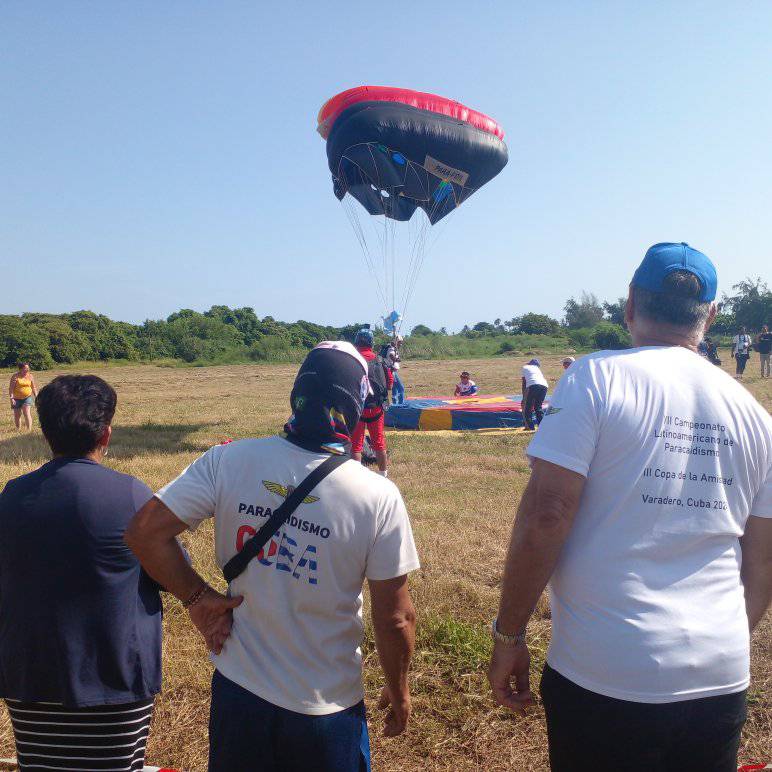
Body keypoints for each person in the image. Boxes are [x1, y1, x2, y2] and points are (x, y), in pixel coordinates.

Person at [488, 242, 772, 772]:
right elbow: (764, 562)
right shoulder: (756, 417)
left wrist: (509, 634)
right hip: (721, 672)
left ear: (629, 305)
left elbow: (548, 514)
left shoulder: (596, 377)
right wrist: (721, 640)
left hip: (608, 671)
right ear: (711, 316)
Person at [125, 341, 420, 772]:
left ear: (298, 393)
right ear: (356, 403)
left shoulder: (227, 460)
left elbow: (145, 532)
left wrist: (197, 598)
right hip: (326, 708)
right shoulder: (378, 496)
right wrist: (399, 690)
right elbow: (396, 618)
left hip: (239, 694)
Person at [0, 375, 162, 772]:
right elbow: (173, 572)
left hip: (31, 677)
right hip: (113, 679)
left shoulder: (13, 494)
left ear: (45, 432)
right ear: (105, 434)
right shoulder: (130, 495)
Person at [352, 328, 392, 476]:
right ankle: (383, 476)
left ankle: (355, 478)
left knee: (355, 445)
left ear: (356, 342)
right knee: (379, 442)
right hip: (376, 408)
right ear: (371, 343)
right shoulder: (380, 361)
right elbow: (389, 384)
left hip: (358, 408)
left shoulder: (353, 360)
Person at [8, 362, 38, 430]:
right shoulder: (15, 376)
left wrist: (36, 396)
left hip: (27, 397)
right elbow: (11, 389)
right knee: (17, 415)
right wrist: (12, 398)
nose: (27, 370)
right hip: (16, 398)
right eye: (25, 368)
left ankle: (29, 430)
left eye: (28, 368)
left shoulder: (30, 376)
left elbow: (33, 387)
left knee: (27, 413)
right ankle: (18, 429)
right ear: (20, 369)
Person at [521, 358, 548, 430]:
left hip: (533, 386)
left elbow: (524, 383)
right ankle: (543, 427)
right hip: (544, 386)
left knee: (528, 408)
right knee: (538, 407)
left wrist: (524, 397)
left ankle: (530, 428)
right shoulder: (537, 369)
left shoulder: (525, 367)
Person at [385, 336, 405, 404]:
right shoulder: (391, 349)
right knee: (401, 388)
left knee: (395, 389)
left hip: (392, 371)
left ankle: (394, 404)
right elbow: (391, 355)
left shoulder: (393, 348)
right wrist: (396, 359)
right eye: (400, 343)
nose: (401, 345)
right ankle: (400, 404)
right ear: (397, 342)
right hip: (392, 371)